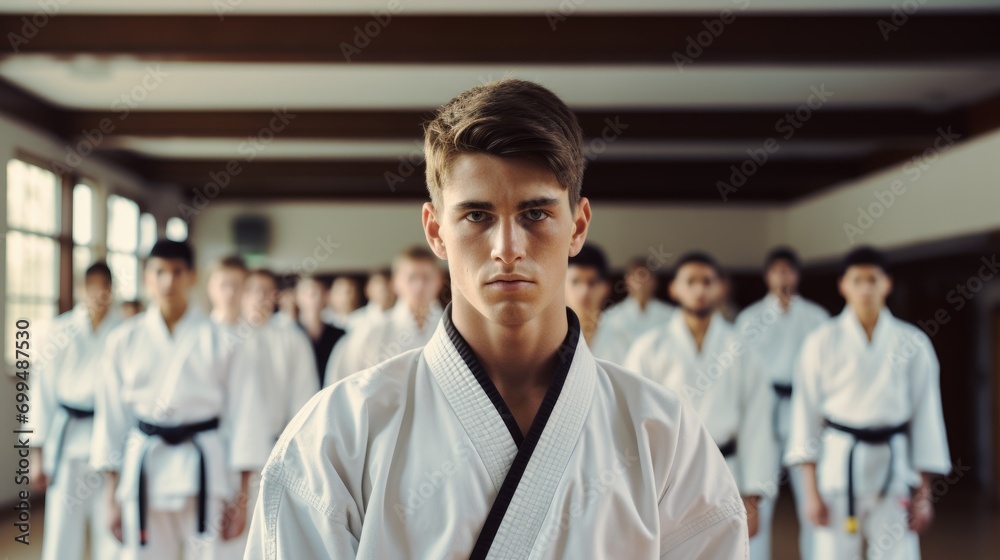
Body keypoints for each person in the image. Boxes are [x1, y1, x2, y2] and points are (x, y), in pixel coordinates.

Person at [246, 78, 747, 559]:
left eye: (535, 214)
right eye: (477, 216)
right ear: (436, 230)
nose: (508, 250)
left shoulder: (662, 433)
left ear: (578, 226)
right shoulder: (338, 435)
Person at [91, 240, 271, 560]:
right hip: (143, 466)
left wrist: (243, 496)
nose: (167, 281)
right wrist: (110, 496)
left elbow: (245, 417)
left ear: (192, 277)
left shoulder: (224, 340)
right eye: (159, 272)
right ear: (146, 276)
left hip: (206, 468)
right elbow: (111, 418)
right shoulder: (124, 340)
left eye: (177, 272)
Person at [785, 247, 951, 560]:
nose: (865, 288)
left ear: (887, 284)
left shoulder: (912, 342)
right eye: (857, 280)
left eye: (872, 279)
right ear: (843, 285)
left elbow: (926, 417)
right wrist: (810, 491)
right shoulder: (821, 341)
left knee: (897, 554)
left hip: (894, 468)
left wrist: (924, 493)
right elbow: (805, 414)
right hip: (837, 468)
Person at [624, 252, 775, 549]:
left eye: (708, 282)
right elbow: (629, 421)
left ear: (721, 289)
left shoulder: (742, 349)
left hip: (729, 468)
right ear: (674, 289)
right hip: (668, 474)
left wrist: (754, 494)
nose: (699, 290)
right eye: (690, 282)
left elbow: (757, 422)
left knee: (733, 551)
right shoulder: (649, 348)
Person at [735, 247, 829, 560]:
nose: (783, 276)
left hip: (804, 404)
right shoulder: (750, 318)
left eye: (788, 270)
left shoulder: (816, 317)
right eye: (777, 271)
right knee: (759, 491)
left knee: (811, 489)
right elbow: (740, 372)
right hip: (765, 404)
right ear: (767, 276)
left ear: (797, 275)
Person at [29, 262, 123, 560]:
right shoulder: (60, 331)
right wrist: (36, 455)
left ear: (111, 290)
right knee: (61, 531)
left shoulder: (124, 332)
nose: (98, 294)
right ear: (82, 289)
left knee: (112, 530)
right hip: (67, 441)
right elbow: (40, 395)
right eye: (92, 287)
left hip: (110, 440)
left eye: (104, 288)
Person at [323, 247, 444, 387]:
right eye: (412, 278)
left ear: (439, 280)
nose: (420, 285)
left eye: (427, 277)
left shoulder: (453, 331)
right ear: (396, 282)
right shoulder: (370, 332)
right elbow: (341, 387)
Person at [595, 257, 675, 365]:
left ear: (655, 281)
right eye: (636, 277)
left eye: (646, 277)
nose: (641, 283)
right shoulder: (612, 316)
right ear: (627, 281)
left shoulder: (671, 315)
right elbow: (607, 356)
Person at [296, 275, 346, 388]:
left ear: (325, 297)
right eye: (305, 292)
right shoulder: (289, 335)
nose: (310, 296)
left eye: (314, 292)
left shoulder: (339, 336)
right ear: (297, 297)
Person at [563, 243, 613, 354]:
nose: (584, 291)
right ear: (561, 287)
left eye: (592, 283)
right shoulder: (548, 339)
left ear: (605, 288)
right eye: (575, 282)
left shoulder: (624, 337)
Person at [207, 255, 248, 330]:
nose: (231, 292)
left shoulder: (259, 333)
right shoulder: (196, 333)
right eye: (224, 285)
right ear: (210, 288)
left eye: (236, 285)